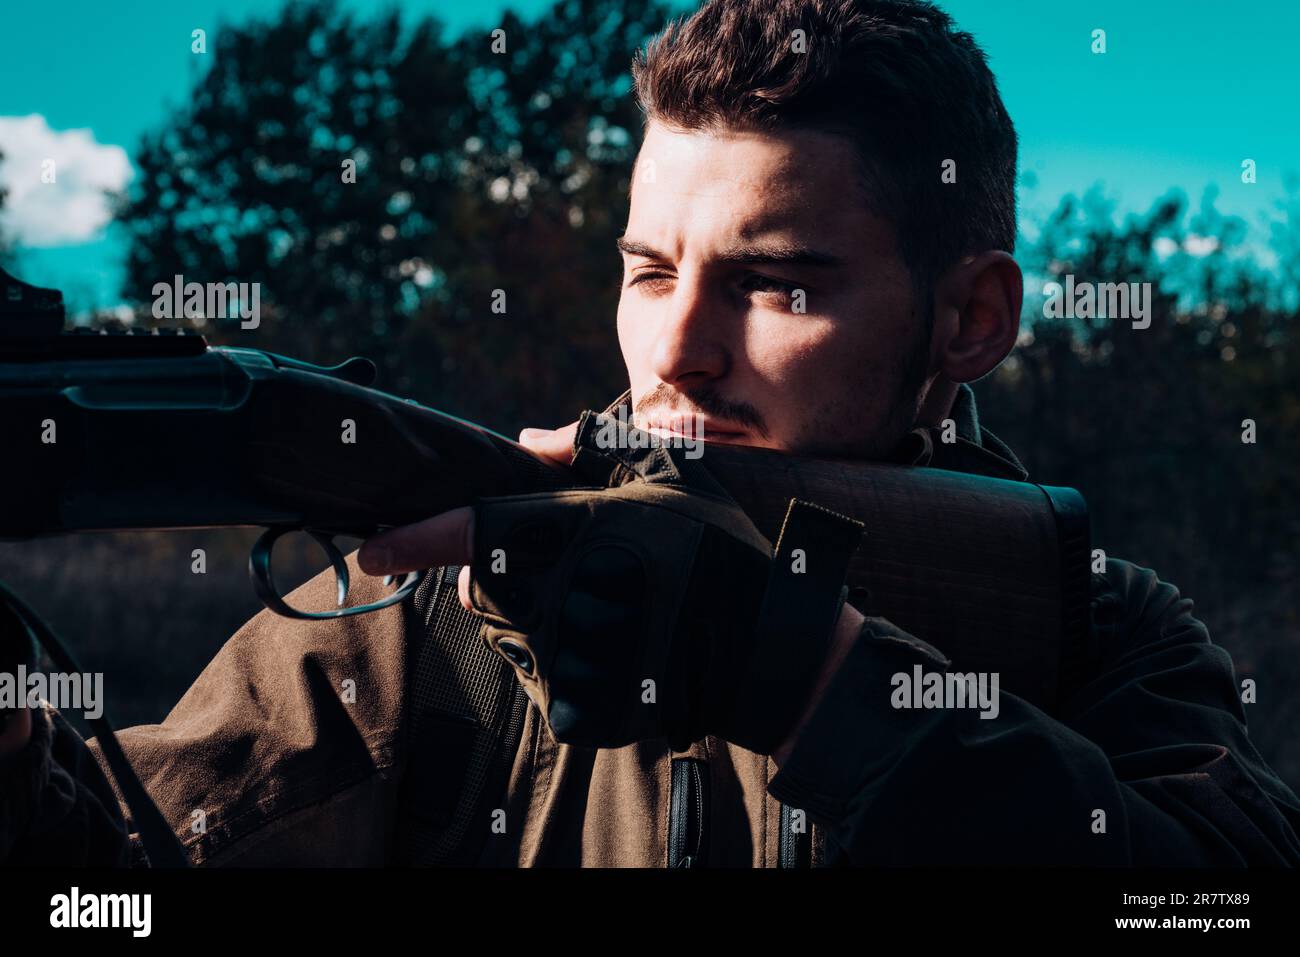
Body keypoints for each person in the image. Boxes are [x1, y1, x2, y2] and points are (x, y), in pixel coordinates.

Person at [3, 0, 1298, 868]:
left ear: (968, 318)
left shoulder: (1100, 634)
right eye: (649, 271)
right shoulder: (437, 611)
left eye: (778, 283)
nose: (675, 351)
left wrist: (795, 668)